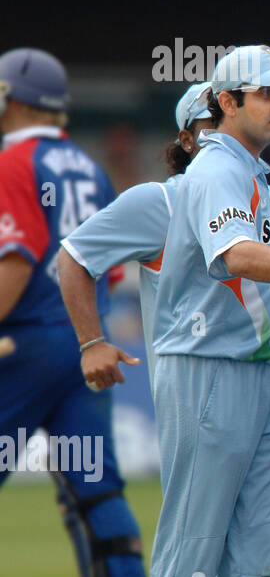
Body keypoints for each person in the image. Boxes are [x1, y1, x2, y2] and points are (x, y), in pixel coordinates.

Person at [147, 45, 270, 577]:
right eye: (268, 93)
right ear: (225, 101)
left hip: (261, 371)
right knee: (193, 552)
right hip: (210, 369)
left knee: (264, 561)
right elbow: (236, 254)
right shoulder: (218, 168)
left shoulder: (251, 172)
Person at [0, 47, 147, 577]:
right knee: (96, 492)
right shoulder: (89, 169)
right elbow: (106, 270)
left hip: (22, 345)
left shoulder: (14, 164)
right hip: (85, 346)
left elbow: (15, 258)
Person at [59, 82, 213, 392]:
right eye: (213, 124)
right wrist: (91, 343)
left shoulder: (267, 197)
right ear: (186, 139)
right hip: (192, 381)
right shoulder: (161, 199)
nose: (225, 136)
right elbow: (75, 256)